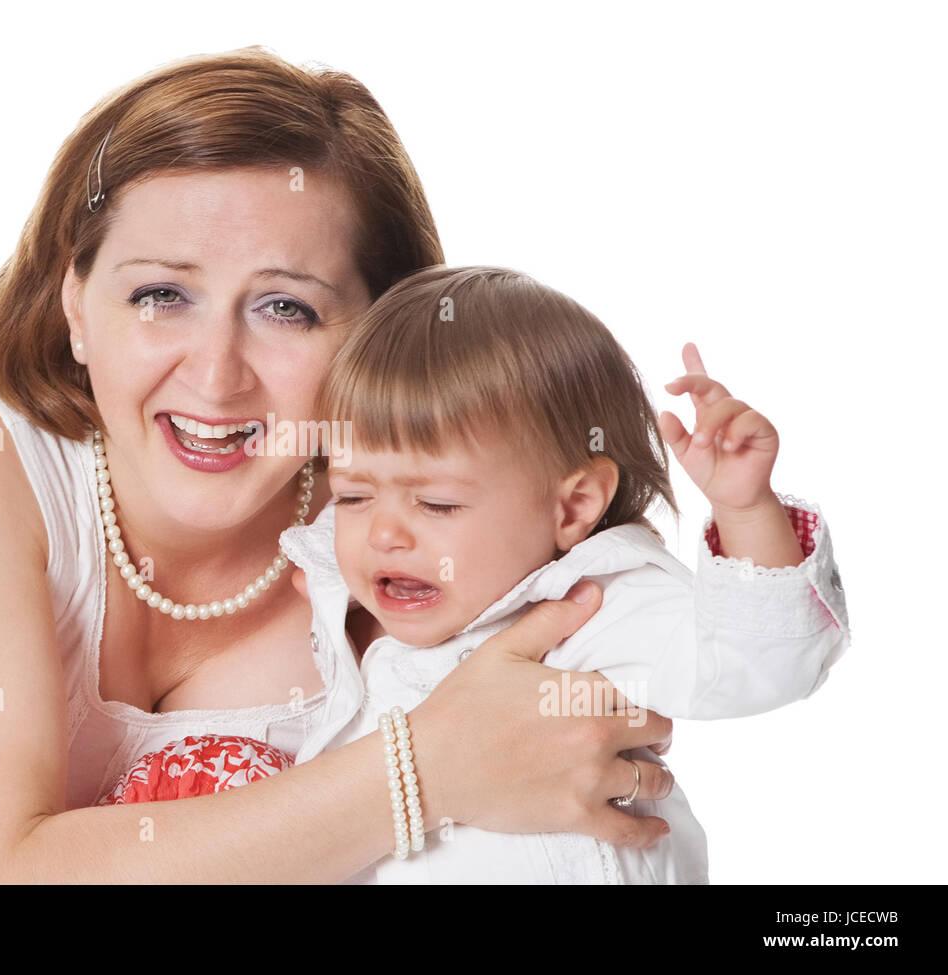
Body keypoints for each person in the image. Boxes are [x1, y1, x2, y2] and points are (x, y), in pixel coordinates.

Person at [0, 47, 683, 886]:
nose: (217, 373)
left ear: (382, 335)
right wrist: (420, 770)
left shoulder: (412, 528)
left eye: (286, 306)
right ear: (74, 308)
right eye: (159, 295)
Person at [276, 266, 849, 882]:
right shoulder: (351, 603)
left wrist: (745, 511)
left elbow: (761, 663)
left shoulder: (597, 606)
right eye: (355, 497)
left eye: (437, 503)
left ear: (573, 506)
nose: (383, 535)